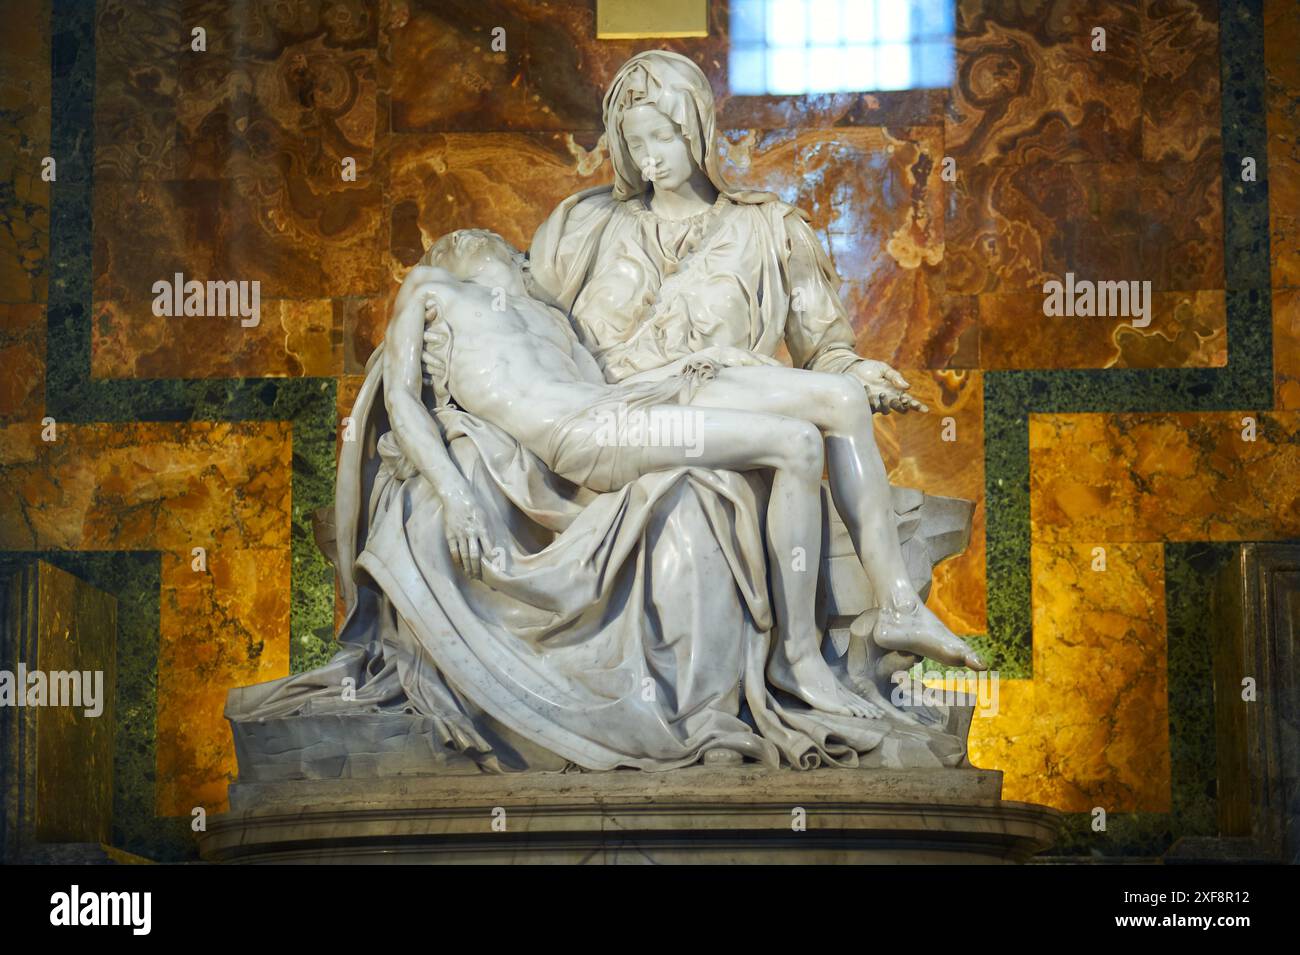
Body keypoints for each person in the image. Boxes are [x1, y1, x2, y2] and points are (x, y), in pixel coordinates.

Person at [388, 227, 982, 722]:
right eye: (471, 237)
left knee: (830, 408)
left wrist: (712, 361)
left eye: (499, 241)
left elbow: (603, 383)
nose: (489, 242)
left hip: (621, 409)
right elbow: (401, 401)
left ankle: (879, 616)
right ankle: (797, 660)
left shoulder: (550, 320)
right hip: (588, 437)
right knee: (793, 443)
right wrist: (455, 493)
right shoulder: (432, 287)